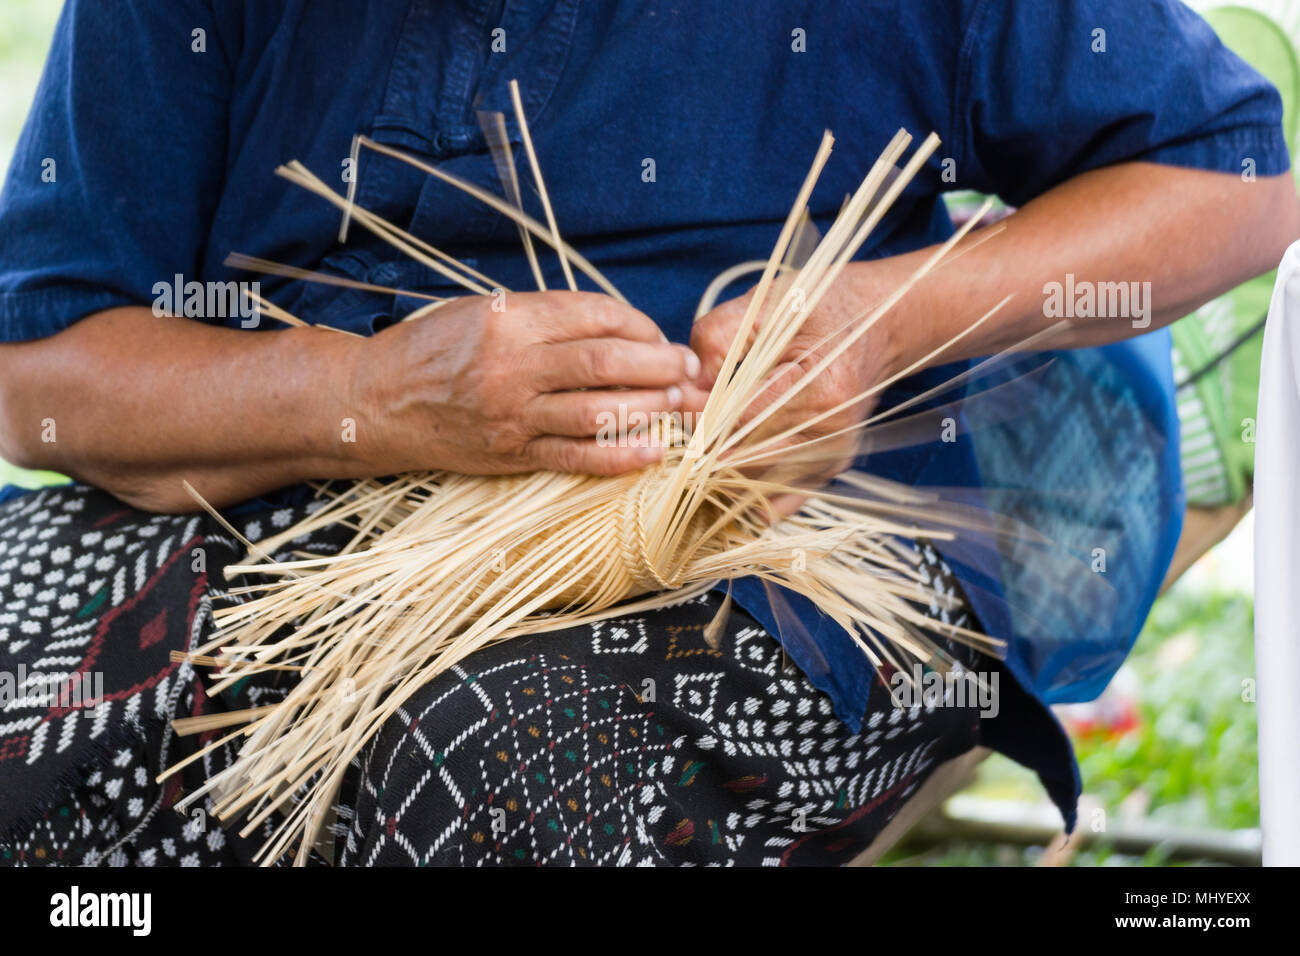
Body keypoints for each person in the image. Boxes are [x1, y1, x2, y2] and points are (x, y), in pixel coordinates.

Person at [0, 0, 1294, 866]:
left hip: (778, 527)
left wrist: (877, 315)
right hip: (304, 496)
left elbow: (1240, 178)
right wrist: (369, 396)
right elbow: (43, 372)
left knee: (484, 772)